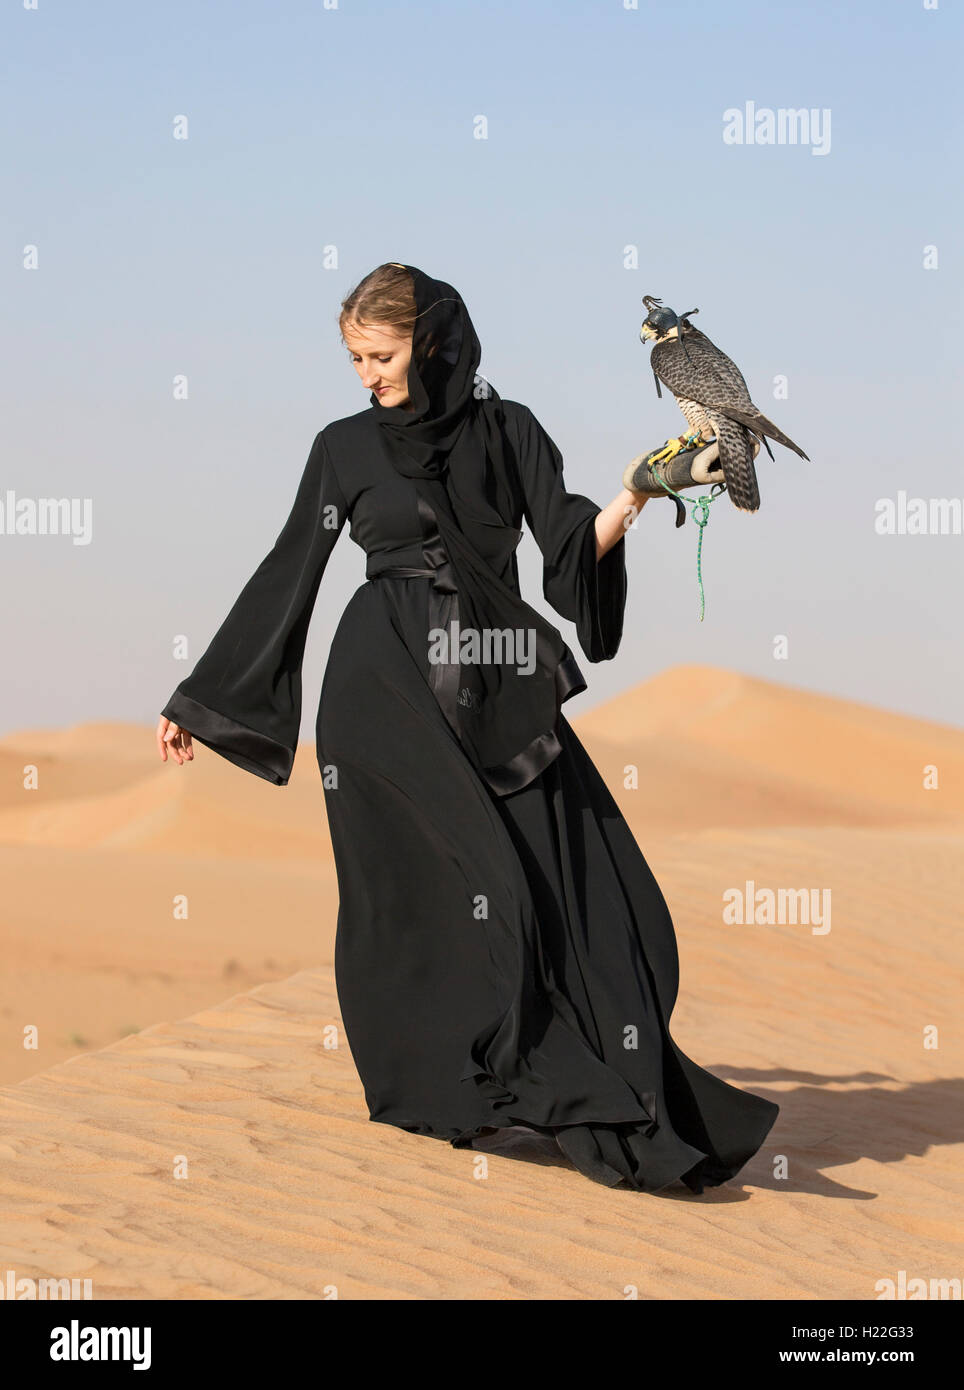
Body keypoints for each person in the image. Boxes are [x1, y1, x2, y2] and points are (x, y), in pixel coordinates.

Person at [155, 262, 778, 1193]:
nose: (368, 373)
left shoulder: (508, 430)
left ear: (435, 341)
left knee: (600, 891)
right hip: (383, 693)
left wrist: (637, 495)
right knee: (441, 894)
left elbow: (566, 542)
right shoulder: (343, 447)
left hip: (498, 680)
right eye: (356, 357)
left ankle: (586, 1076)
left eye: (383, 353)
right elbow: (292, 566)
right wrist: (201, 699)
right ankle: (460, 1088)